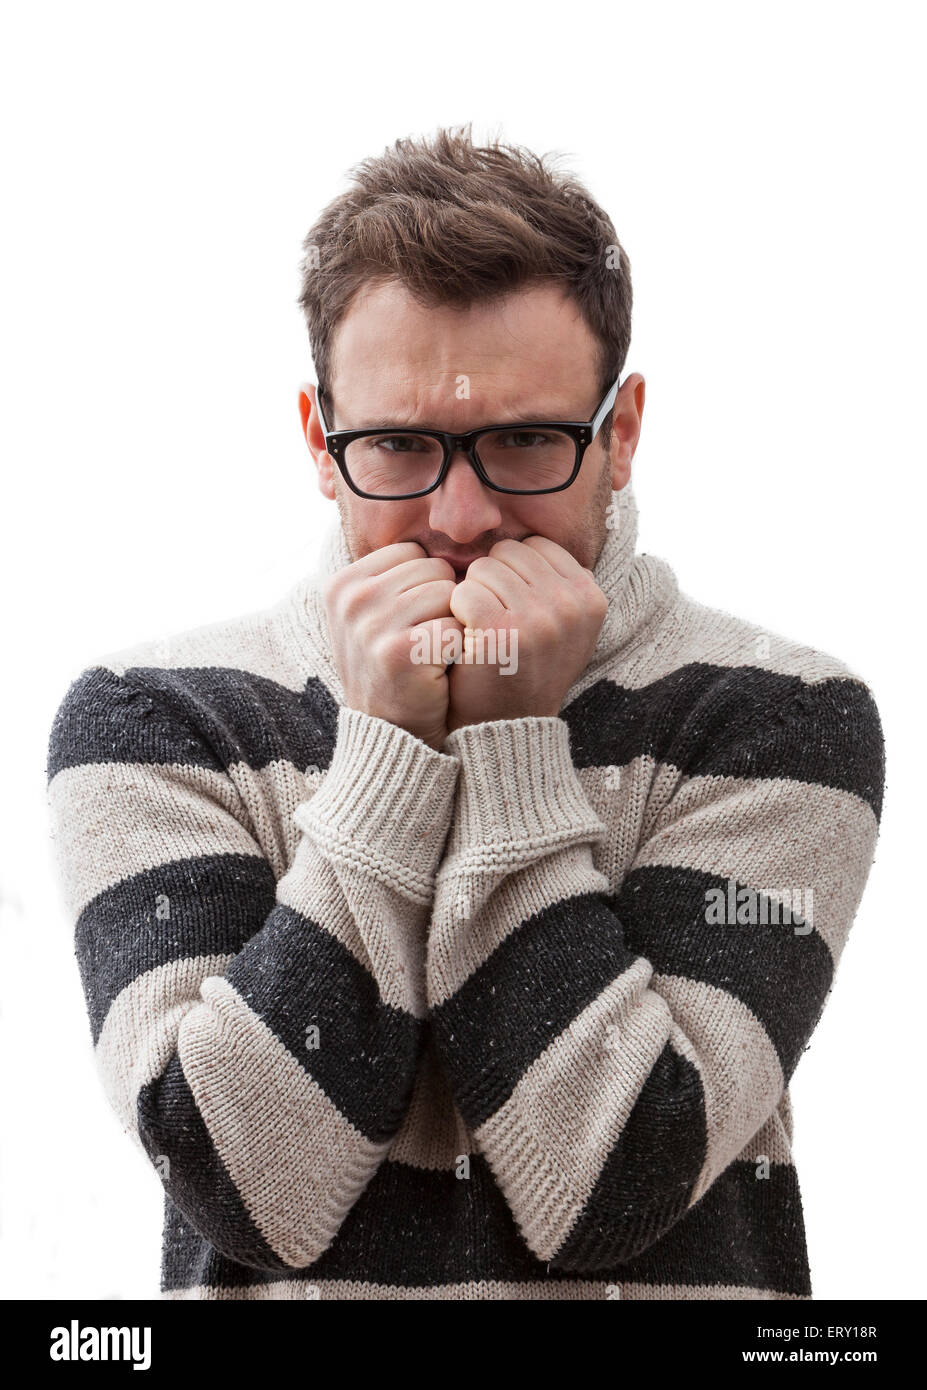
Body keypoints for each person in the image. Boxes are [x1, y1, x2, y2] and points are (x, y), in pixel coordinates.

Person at [46, 124, 884, 1300]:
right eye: (397, 445)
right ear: (319, 444)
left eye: (525, 440)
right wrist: (387, 753)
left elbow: (610, 1182)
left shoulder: (781, 714)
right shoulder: (157, 720)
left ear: (621, 433)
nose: (460, 515)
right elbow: (247, 1188)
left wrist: (507, 741)